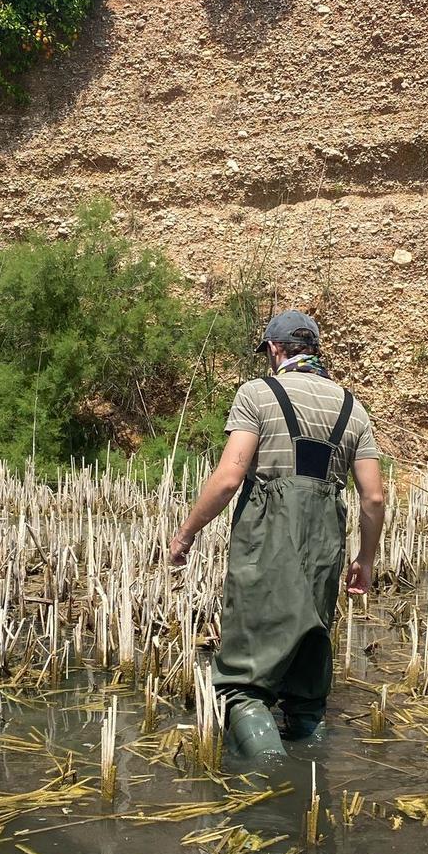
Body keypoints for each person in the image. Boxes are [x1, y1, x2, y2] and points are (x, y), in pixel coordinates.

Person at [169, 310, 385, 757]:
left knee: (244, 685)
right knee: (307, 691)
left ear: (274, 349)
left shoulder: (257, 394)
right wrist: (365, 559)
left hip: (267, 538)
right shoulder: (352, 406)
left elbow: (230, 477)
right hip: (326, 545)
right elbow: (374, 498)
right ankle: (312, 774)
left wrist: (187, 531)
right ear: (314, 348)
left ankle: (268, 780)